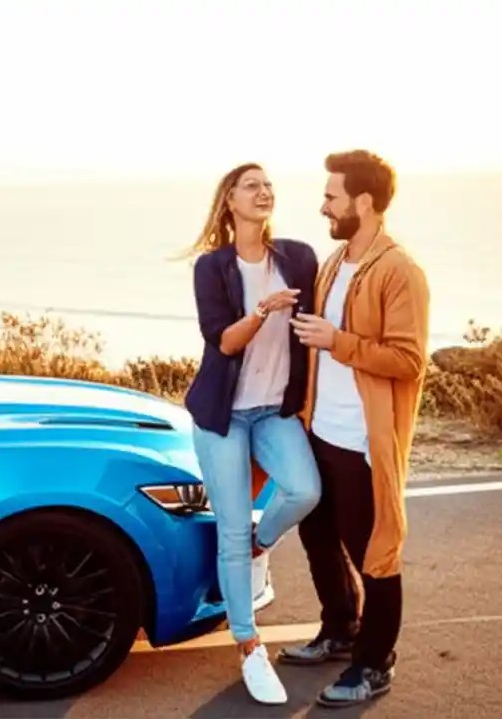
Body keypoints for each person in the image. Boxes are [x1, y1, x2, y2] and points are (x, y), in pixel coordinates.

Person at [282, 149, 430, 708]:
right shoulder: (335, 260)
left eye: (331, 196)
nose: (323, 206)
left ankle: (375, 663)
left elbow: (409, 361)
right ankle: (340, 629)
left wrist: (336, 342)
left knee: (374, 553)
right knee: (317, 536)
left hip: (363, 442)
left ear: (363, 202)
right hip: (319, 429)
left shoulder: (400, 271)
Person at [182, 162, 323, 705]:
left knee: (305, 490)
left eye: (268, 185)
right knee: (231, 530)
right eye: (251, 185)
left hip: (273, 411)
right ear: (230, 202)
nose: (264, 191)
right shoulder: (211, 268)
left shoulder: (298, 257)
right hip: (223, 414)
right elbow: (224, 342)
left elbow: (316, 322)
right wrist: (265, 309)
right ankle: (248, 645)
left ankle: (264, 545)